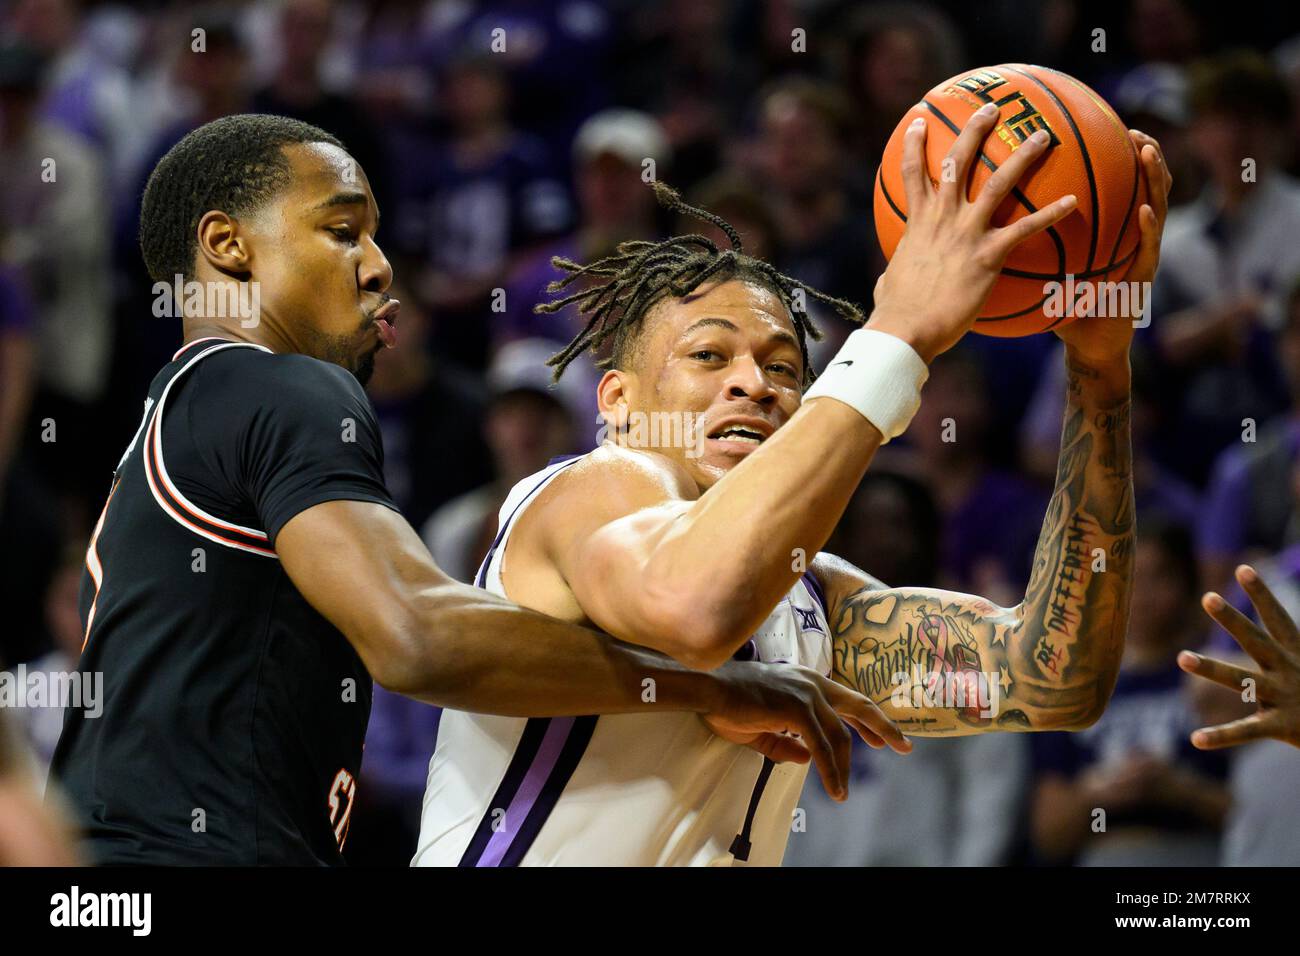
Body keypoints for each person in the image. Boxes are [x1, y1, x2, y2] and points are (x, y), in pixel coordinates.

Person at [48, 113, 888, 866]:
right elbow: (418, 636)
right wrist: (711, 687)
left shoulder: (177, 411)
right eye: (343, 232)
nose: (381, 268)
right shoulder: (282, 386)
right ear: (229, 246)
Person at [414, 109, 1172, 866]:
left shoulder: (809, 602)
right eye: (709, 355)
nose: (754, 384)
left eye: (783, 368)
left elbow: (1054, 678)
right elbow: (693, 606)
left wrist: (1098, 376)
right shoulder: (591, 488)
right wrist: (898, 332)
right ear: (617, 402)